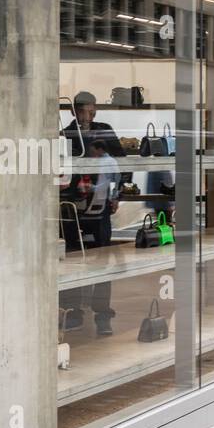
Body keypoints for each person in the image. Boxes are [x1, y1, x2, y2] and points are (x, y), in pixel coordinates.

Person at [59, 137, 121, 336]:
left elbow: (122, 168)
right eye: (84, 111)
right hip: (73, 213)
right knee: (71, 264)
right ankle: (73, 312)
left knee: (102, 264)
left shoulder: (104, 135)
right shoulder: (70, 135)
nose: (88, 115)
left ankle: (102, 316)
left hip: (98, 215)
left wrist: (115, 196)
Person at [61, 91, 124, 158]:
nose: (87, 117)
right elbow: (69, 161)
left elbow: (120, 155)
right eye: (82, 112)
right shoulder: (65, 134)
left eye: (91, 113)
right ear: (73, 111)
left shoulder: (105, 129)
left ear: (95, 111)